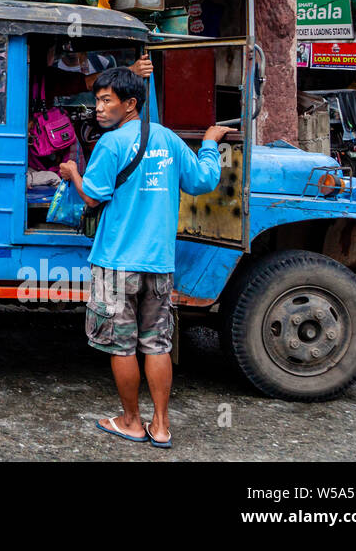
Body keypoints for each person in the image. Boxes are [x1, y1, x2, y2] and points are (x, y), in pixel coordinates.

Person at [57, 68, 228, 449]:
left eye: (106, 101)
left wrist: (72, 173)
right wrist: (211, 143)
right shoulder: (168, 138)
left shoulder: (111, 144)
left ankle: (132, 422)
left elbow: (92, 197)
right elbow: (202, 180)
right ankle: (162, 426)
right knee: (157, 345)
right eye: (97, 100)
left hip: (117, 262)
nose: (98, 108)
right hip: (159, 264)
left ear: (130, 104)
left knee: (122, 346)